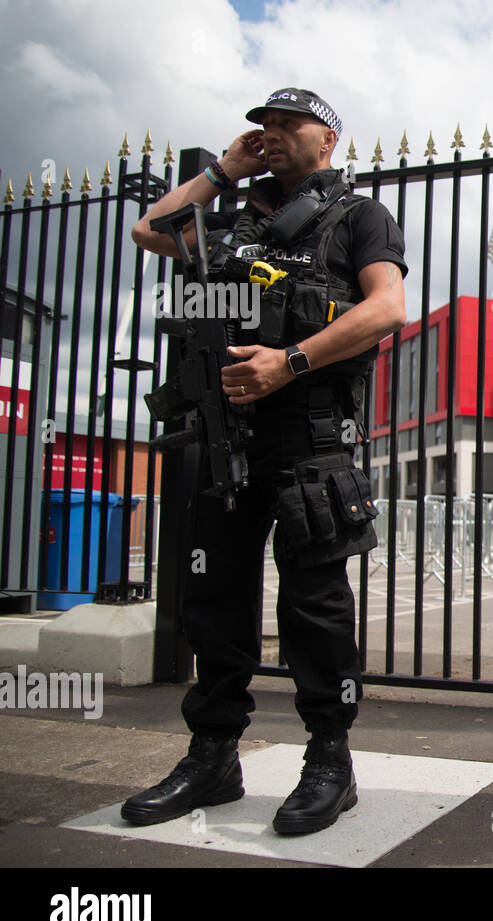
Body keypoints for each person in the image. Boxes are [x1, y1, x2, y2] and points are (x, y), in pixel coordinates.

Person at [122, 88, 406, 834]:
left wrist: (289, 361)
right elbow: (148, 231)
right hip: (225, 435)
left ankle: (330, 760)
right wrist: (222, 169)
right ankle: (213, 753)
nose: (274, 136)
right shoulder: (231, 223)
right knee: (215, 600)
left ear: (331, 139)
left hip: (307, 437)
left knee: (314, 606)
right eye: (265, 127)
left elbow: (386, 309)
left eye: (290, 125)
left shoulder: (357, 217)